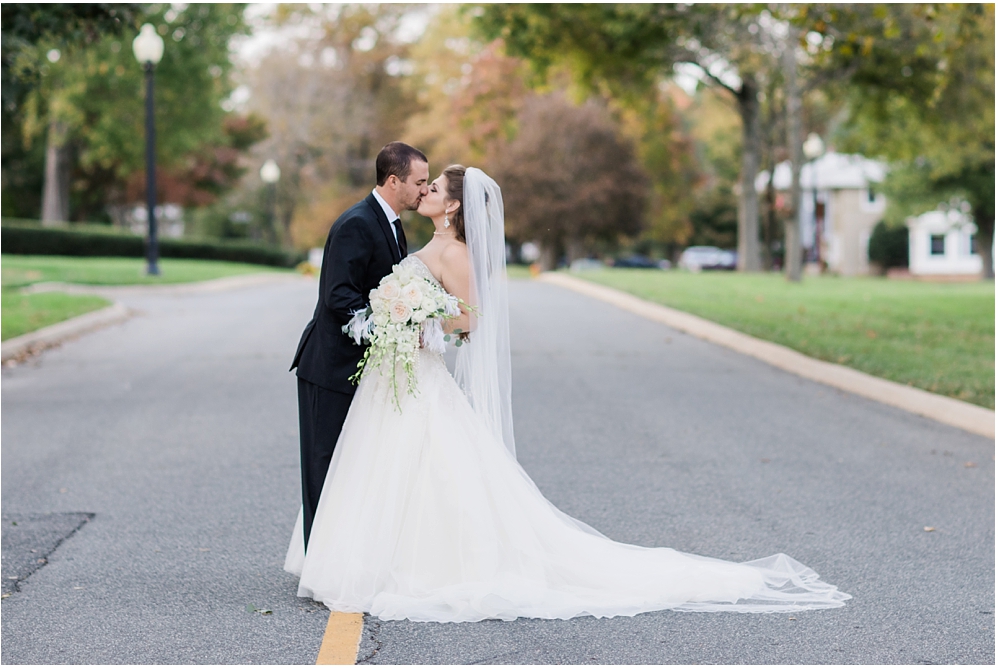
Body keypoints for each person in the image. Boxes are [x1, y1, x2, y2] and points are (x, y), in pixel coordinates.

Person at [285, 165, 850, 622]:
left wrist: (418, 322)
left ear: (454, 206)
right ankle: (375, 555)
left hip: (418, 367)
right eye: (422, 184)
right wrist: (399, 314)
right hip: (399, 373)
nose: (426, 192)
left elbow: (469, 320)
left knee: (428, 468)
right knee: (392, 466)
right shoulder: (414, 236)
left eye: (434, 188)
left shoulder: (454, 253)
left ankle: (418, 563)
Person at [289, 142, 428, 551]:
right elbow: (339, 296)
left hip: (360, 371)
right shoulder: (356, 223)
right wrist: (387, 328)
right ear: (393, 181)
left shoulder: (392, 224)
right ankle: (319, 562)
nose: (424, 189)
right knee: (323, 466)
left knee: (350, 466)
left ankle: (343, 556)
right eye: (419, 182)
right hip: (330, 369)